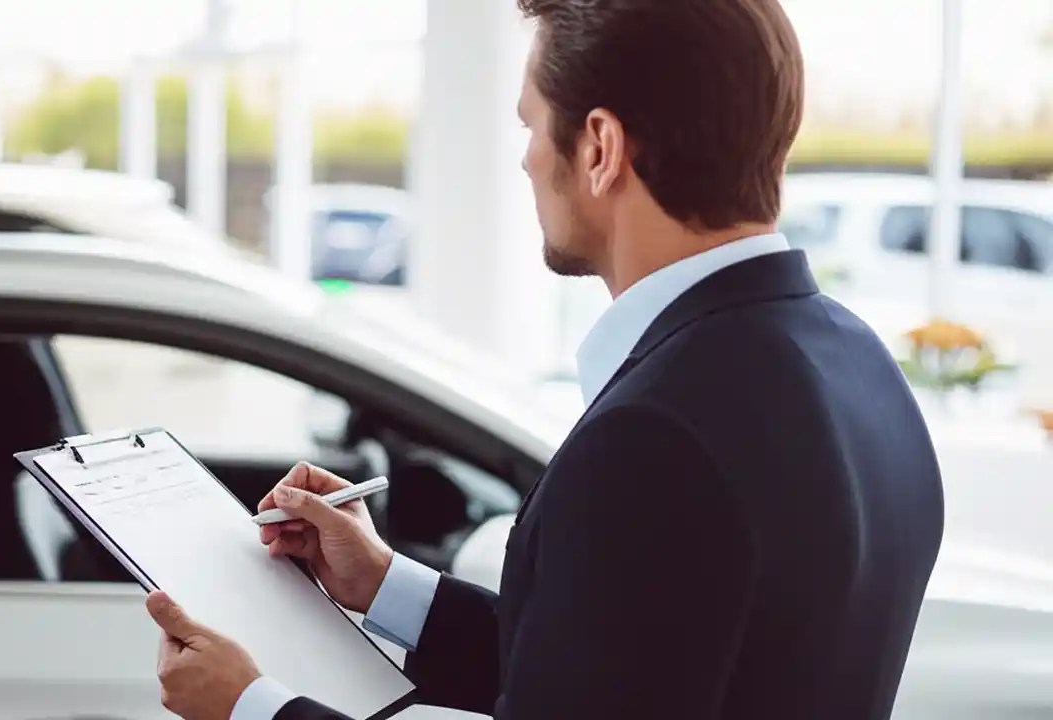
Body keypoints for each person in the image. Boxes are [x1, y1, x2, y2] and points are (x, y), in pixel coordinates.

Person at [144, 0, 945, 718]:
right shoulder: (860, 366)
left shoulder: (654, 438)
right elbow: (622, 675)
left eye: (529, 125)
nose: (526, 159)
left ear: (599, 146)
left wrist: (252, 709)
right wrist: (385, 583)